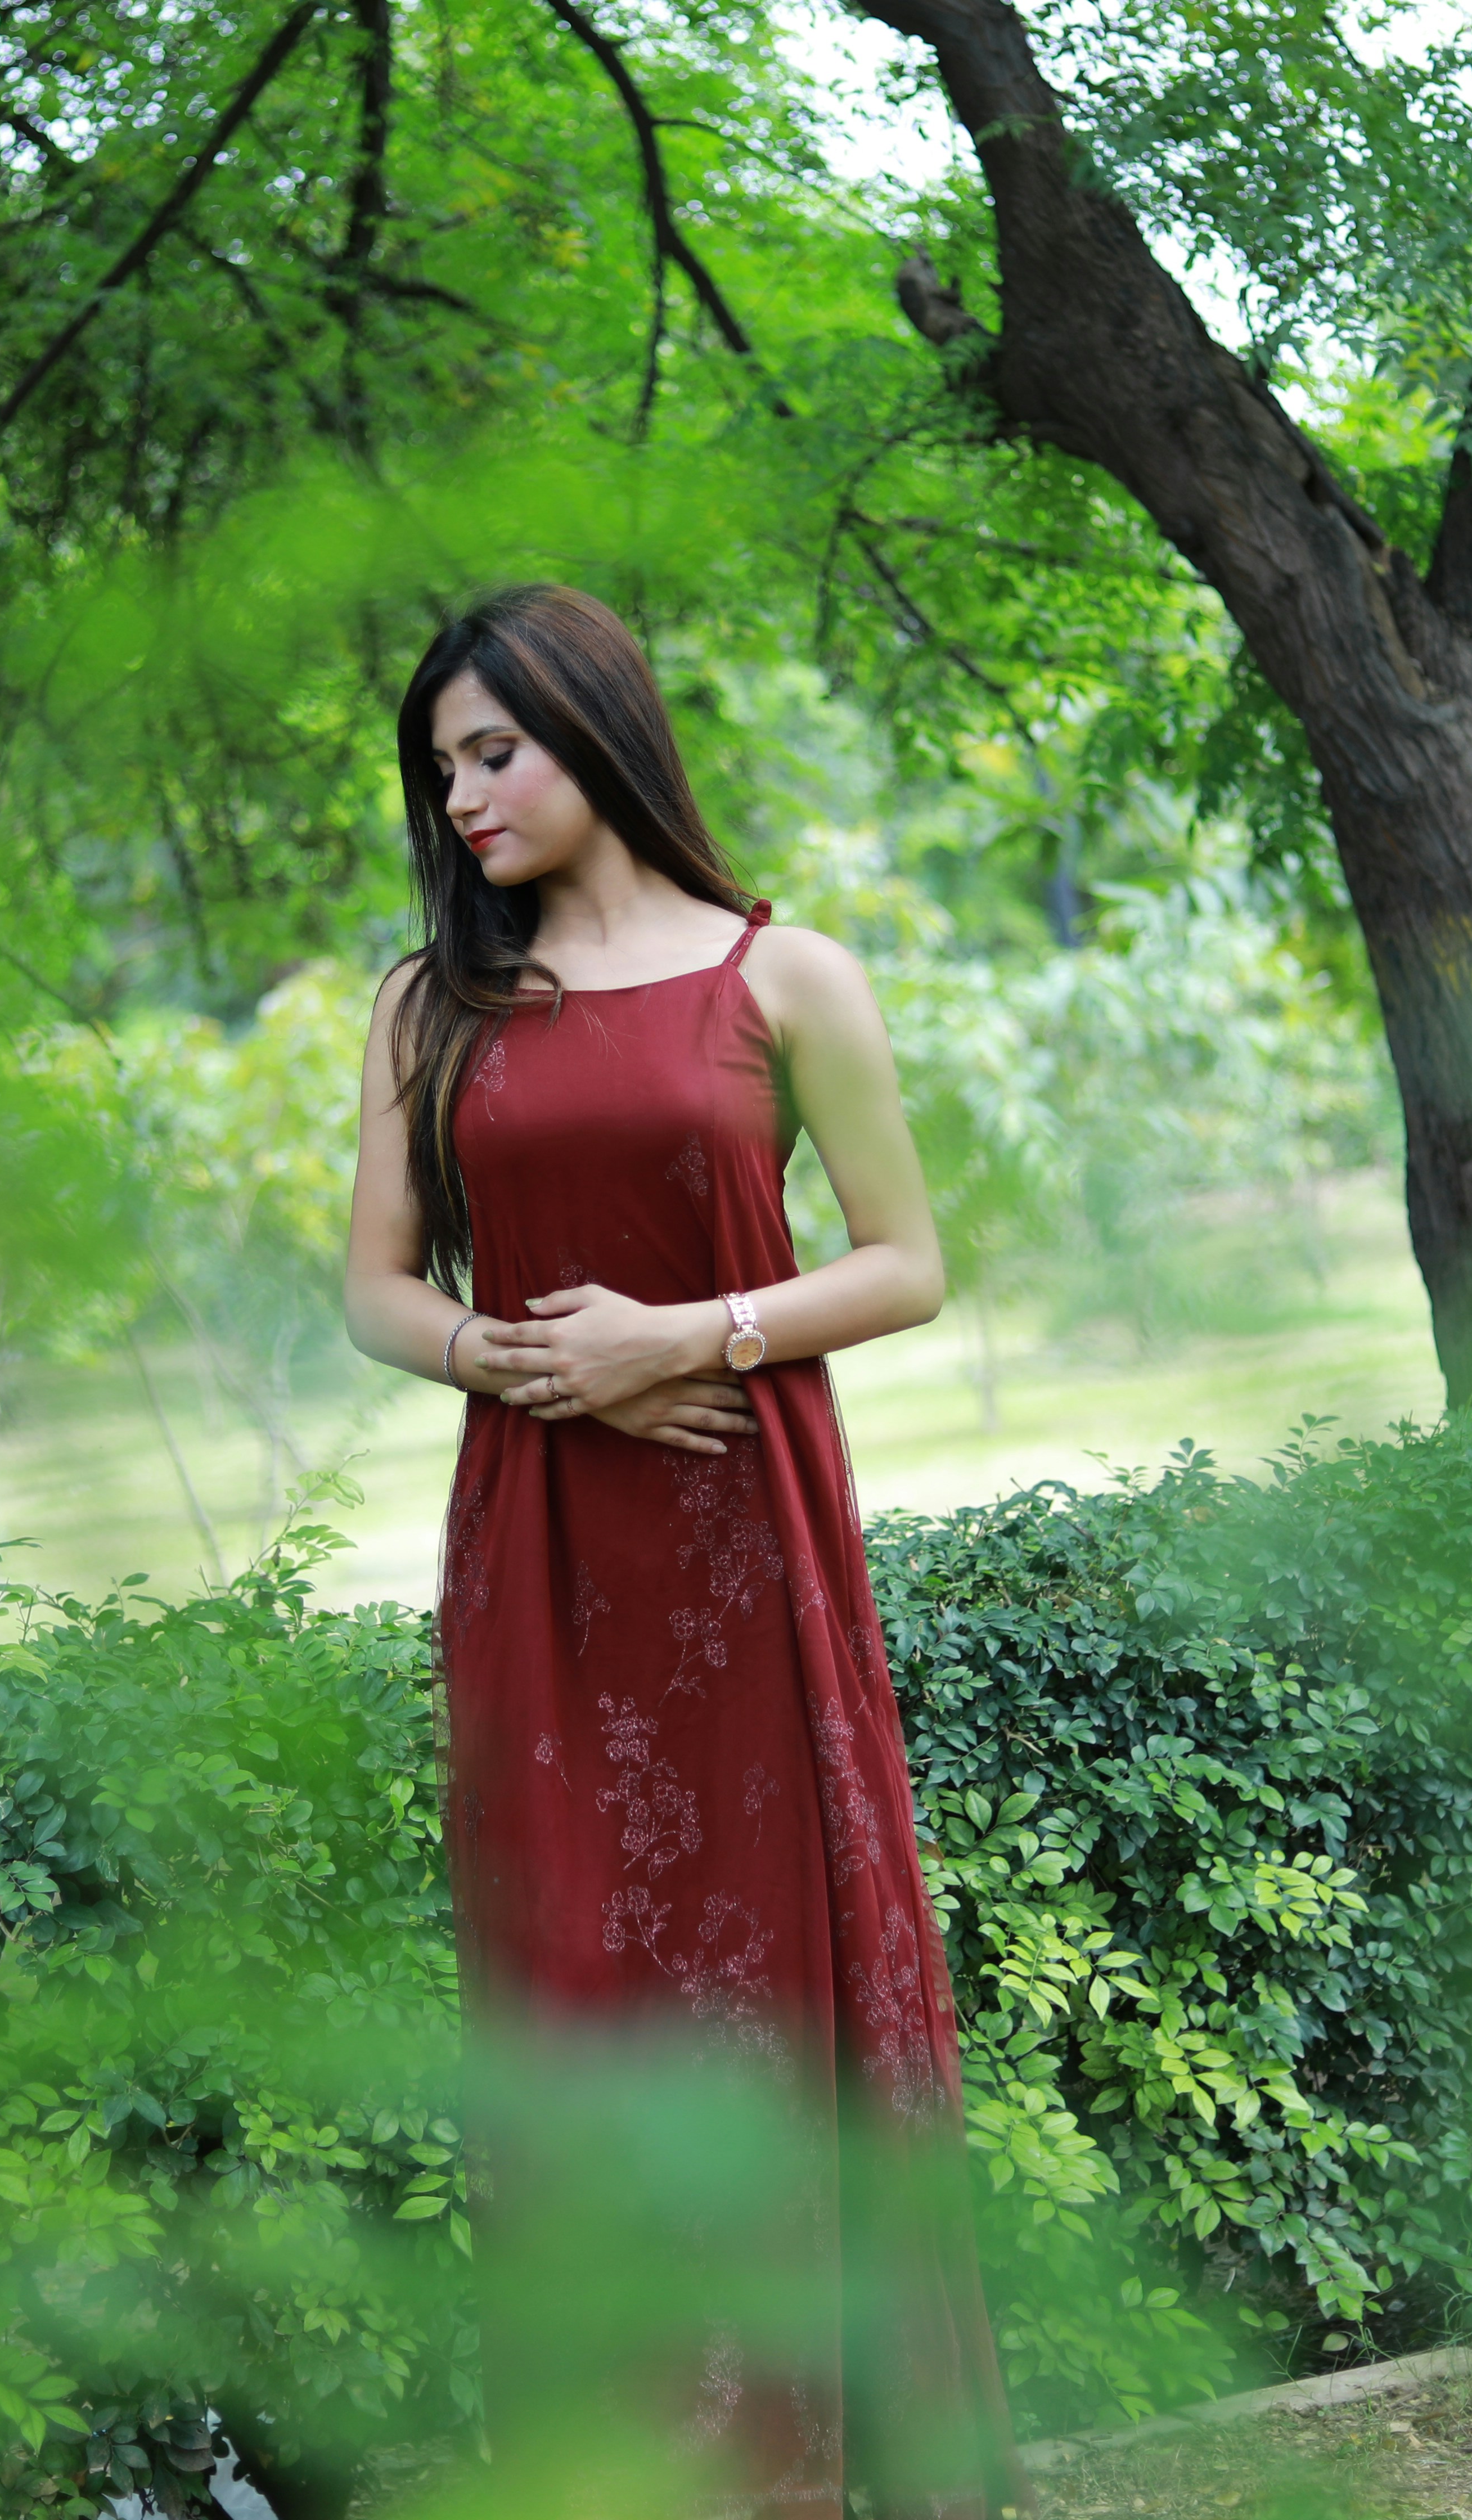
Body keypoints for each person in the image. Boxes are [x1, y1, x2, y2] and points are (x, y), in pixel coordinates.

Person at [341, 586, 1025, 2515]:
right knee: (576, 2001)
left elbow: (907, 1263)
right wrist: (535, 1365)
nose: (463, 798)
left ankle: (818, 2464)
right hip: (541, 1560)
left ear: (598, 731)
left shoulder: (783, 975)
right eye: (442, 768)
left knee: (777, 1998)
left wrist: (692, 1334)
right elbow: (377, 1291)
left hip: (752, 1548)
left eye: (497, 751)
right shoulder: (430, 1007)